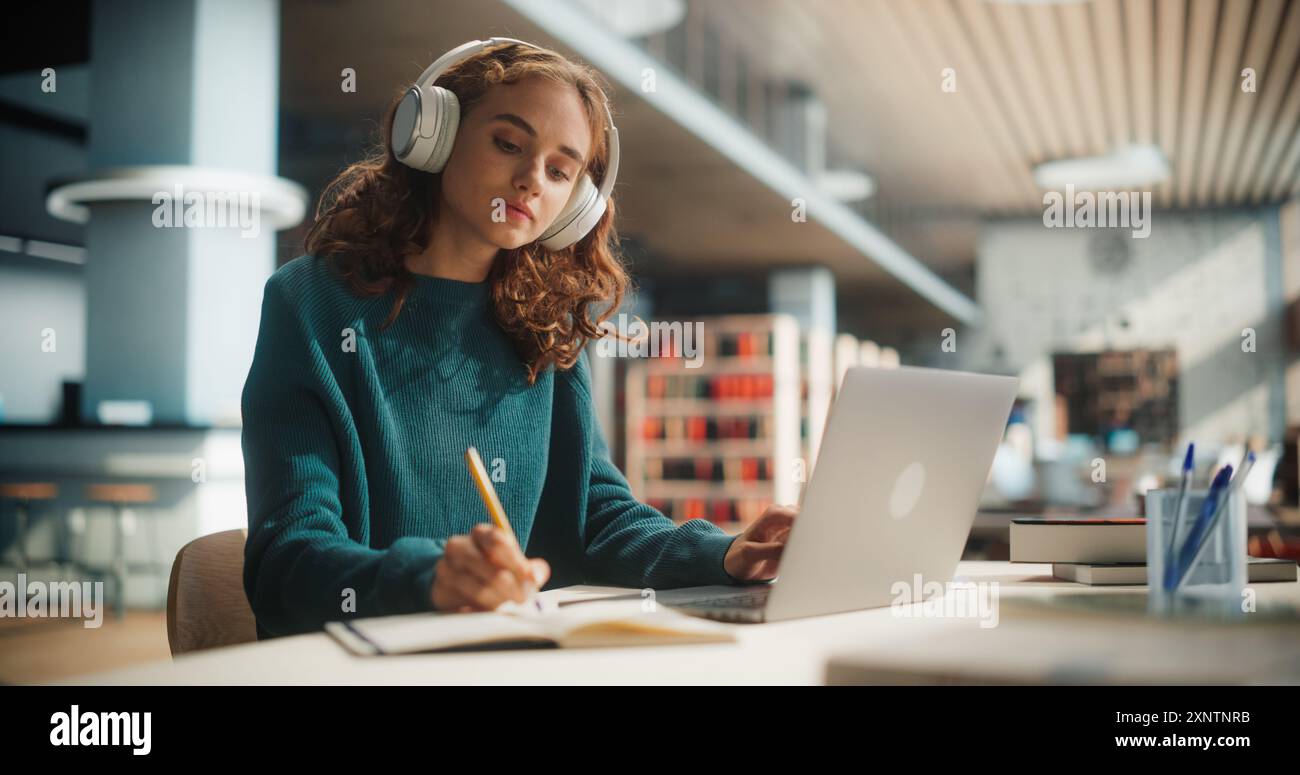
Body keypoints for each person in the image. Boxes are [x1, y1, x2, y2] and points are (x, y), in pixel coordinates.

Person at [241, 39, 795, 638]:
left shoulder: (546, 329)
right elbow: (289, 554)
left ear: (574, 205)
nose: (532, 180)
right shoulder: (312, 304)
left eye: (560, 170)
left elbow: (599, 518)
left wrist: (723, 553)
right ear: (435, 134)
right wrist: (429, 580)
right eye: (509, 144)